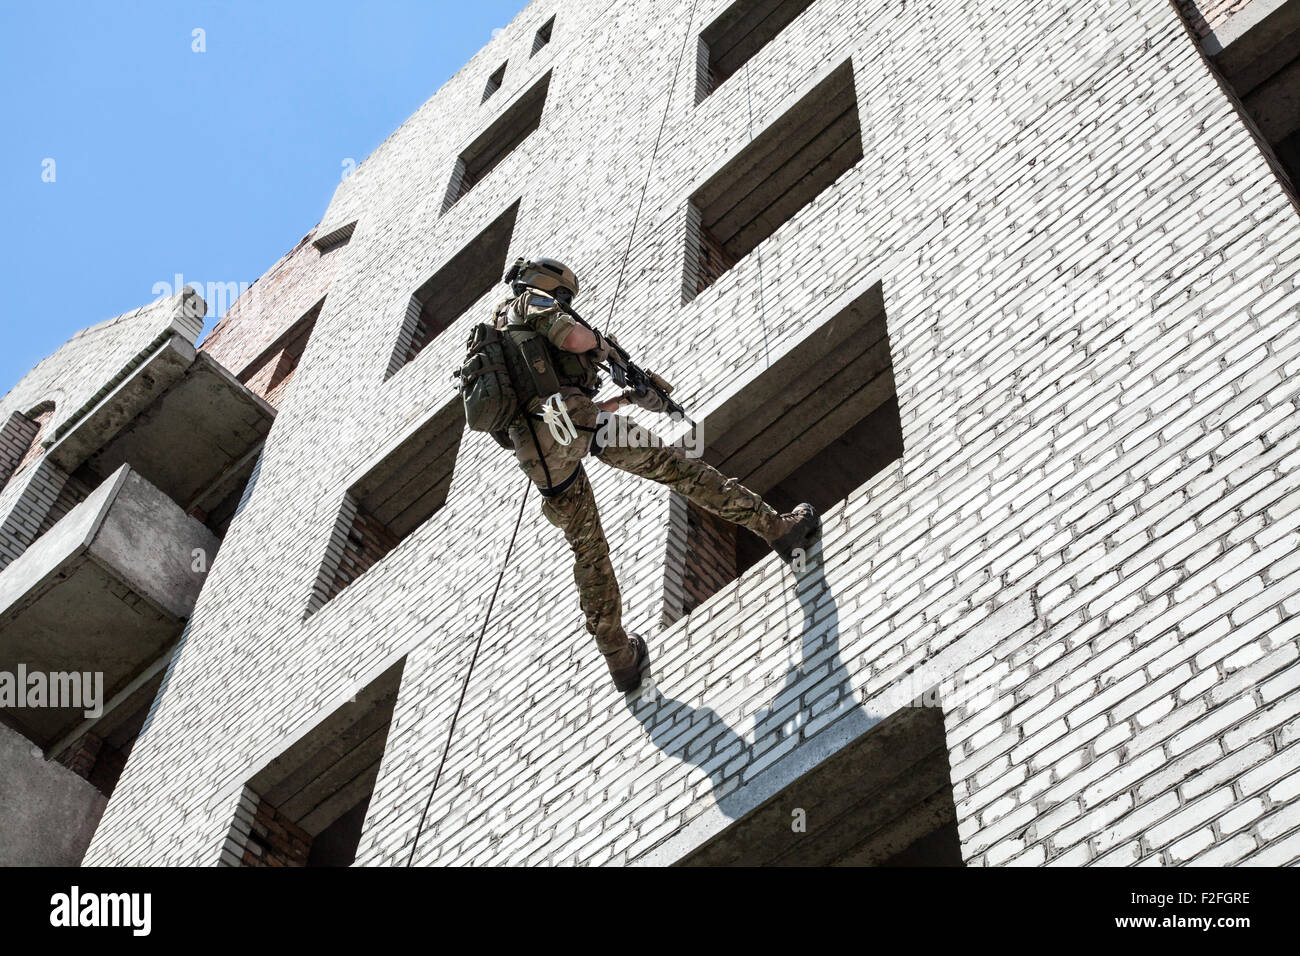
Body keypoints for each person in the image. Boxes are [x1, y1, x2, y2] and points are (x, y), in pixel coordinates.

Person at [493, 258, 820, 693]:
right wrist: (601, 347)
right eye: (566, 297)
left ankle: (619, 657)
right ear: (549, 285)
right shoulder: (531, 303)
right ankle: (777, 529)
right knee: (678, 469)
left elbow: (566, 403)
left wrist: (626, 398)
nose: (567, 304)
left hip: (539, 450)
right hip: (572, 423)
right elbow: (572, 337)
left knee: (588, 550)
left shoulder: (500, 341)